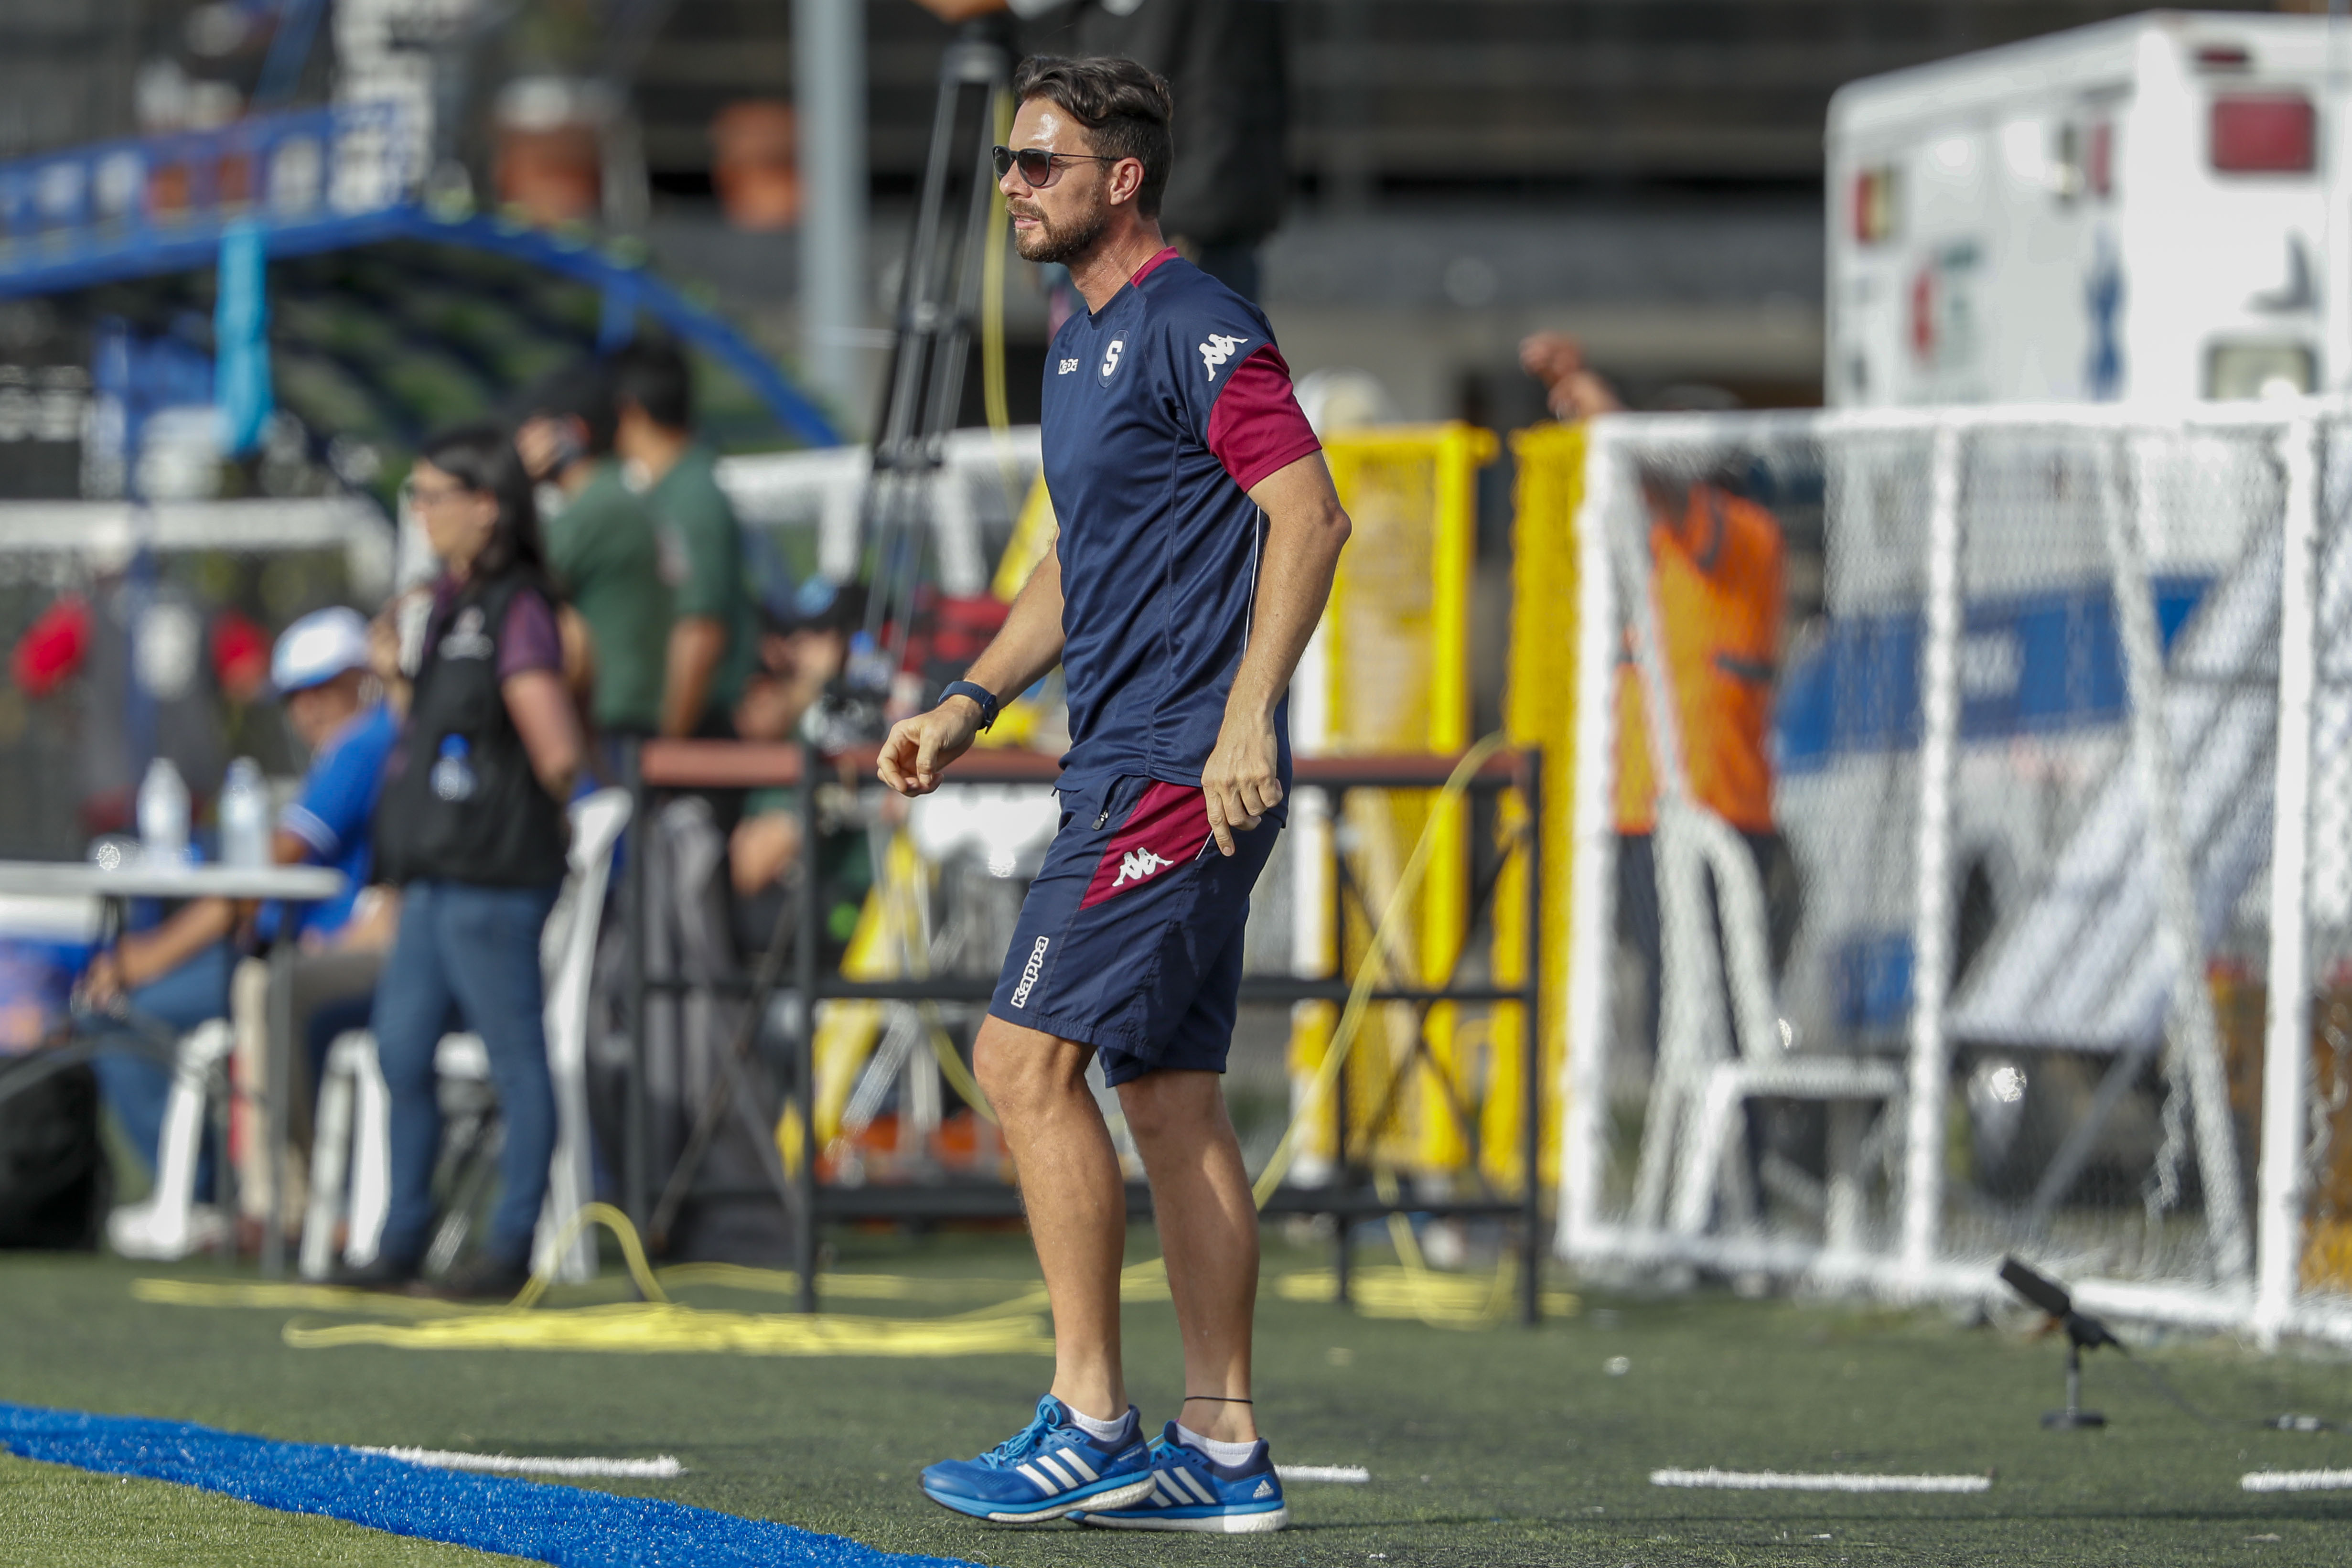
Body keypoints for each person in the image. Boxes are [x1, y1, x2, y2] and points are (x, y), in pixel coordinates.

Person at [880, 55, 1343, 1532]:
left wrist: (1245, 718)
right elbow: (1079, 563)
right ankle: (1222, 1450)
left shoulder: (1193, 320)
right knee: (1171, 1095)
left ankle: (1089, 1416)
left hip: (1174, 768)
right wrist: (968, 697)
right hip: (1125, 757)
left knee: (1022, 1068)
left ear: (1120, 177)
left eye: (1038, 162)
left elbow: (1311, 516)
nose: (1011, 185)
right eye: (1012, 164)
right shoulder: (1084, 342)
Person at [352, 424, 584, 1298]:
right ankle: (401, 1235)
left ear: (482, 508)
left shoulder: (515, 608)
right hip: (438, 874)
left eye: (429, 496)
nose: (418, 513)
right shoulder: (449, 603)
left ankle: (509, 1242)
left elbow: (554, 747)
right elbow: (437, 729)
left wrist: (536, 815)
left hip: (494, 875)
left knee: (514, 1057)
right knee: (400, 1050)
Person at [1520, 331, 1789, 1054]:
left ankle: (1740, 1162)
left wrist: (1596, 398)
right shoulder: (1664, 548)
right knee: (1668, 1009)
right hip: (1650, 808)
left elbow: (1659, 484)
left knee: (1718, 1014)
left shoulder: (1741, 534)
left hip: (1712, 806)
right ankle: (1705, 1160)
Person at [77, 607, 399, 1206]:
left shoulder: (364, 743)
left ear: (362, 677)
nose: (307, 710)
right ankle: (225, 1195)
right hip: (293, 948)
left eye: (322, 689)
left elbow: (262, 875)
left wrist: (149, 956)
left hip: (308, 957)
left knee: (117, 1012)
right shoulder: (367, 743)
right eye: (295, 697)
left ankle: (211, 1199)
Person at [516, 362, 671, 753]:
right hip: (626, 714)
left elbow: (511, 583)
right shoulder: (617, 496)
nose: (522, 439)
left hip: (610, 720)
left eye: (536, 427)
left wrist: (512, 484)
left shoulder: (594, 508)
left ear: (575, 432)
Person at [611, 338, 756, 747]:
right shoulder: (672, 488)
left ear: (629, 409)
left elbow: (701, 629)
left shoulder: (690, 497)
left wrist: (666, 751)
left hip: (698, 734)